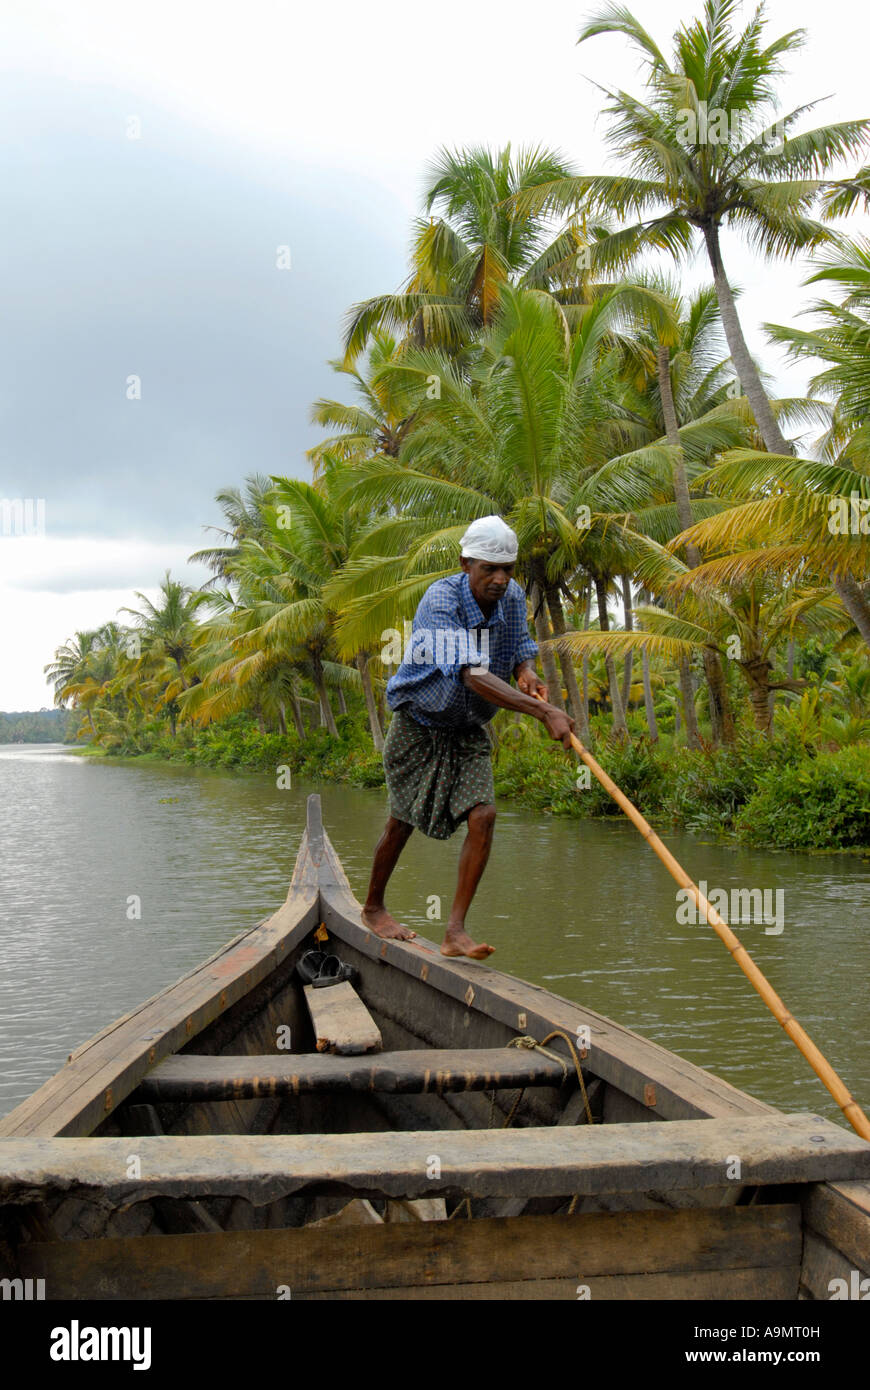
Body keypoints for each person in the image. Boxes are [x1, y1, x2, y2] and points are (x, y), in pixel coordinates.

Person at [361, 515, 575, 959]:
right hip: (418, 722)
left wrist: (526, 673)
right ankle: (374, 907)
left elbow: (518, 647)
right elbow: (472, 674)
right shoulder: (439, 601)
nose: (499, 580)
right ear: (465, 564)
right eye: (488, 570)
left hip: (469, 726)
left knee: (484, 815)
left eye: (508, 570)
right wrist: (544, 710)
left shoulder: (512, 597)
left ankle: (455, 931)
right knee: (401, 821)